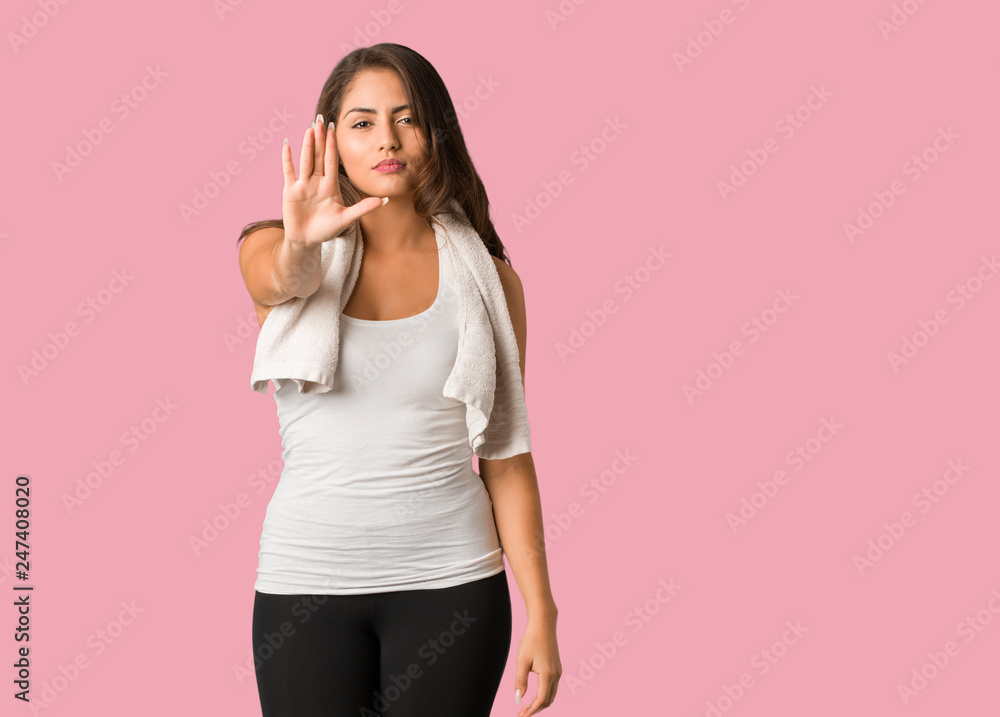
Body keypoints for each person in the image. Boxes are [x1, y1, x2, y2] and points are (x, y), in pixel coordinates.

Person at [235, 44, 561, 717]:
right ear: (329, 138)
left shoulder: (491, 281)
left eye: (407, 119)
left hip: (454, 584)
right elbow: (281, 279)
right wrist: (301, 242)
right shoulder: (275, 248)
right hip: (305, 584)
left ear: (436, 134)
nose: (386, 139)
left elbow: (504, 455)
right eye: (361, 122)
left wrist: (543, 611)